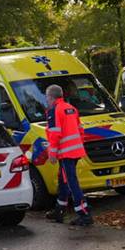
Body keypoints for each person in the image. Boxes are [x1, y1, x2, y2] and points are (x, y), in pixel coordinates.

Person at [43, 84, 93, 226]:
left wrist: (52, 154)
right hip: (75, 151)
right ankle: (59, 210)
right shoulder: (71, 109)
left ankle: (84, 214)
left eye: (47, 97)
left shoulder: (54, 111)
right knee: (63, 180)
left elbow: (54, 134)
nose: (47, 100)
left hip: (66, 153)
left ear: (51, 97)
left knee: (71, 182)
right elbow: (80, 130)